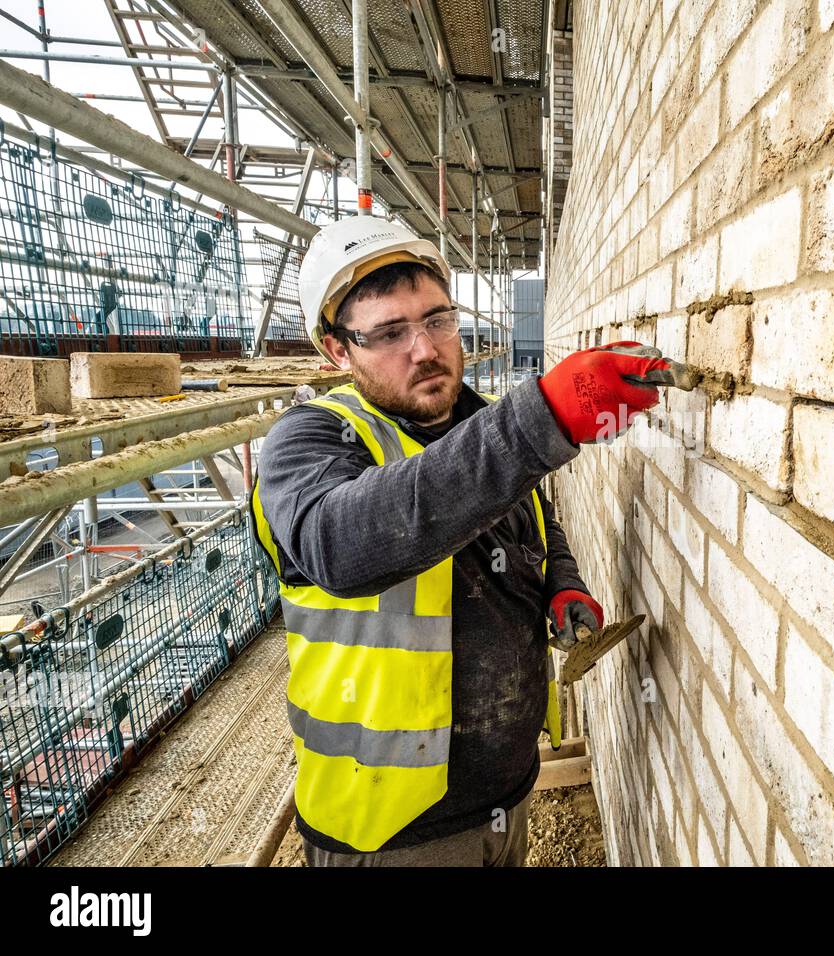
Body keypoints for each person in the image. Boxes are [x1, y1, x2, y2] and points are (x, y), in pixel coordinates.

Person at [249, 216, 671, 866]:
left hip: (508, 791)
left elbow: (534, 512)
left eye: (438, 320)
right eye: (390, 333)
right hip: (392, 833)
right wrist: (539, 422)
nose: (426, 349)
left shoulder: (479, 421)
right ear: (338, 350)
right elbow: (341, 544)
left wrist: (561, 582)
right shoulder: (307, 444)